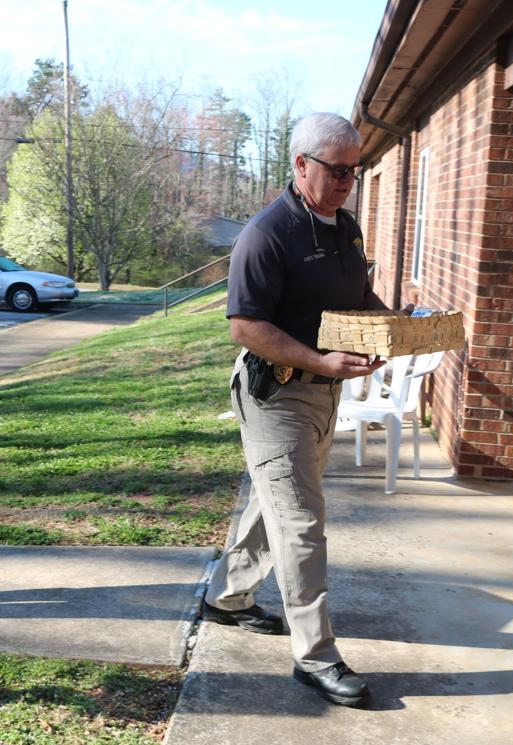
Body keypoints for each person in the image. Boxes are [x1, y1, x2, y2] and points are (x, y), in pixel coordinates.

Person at [203, 112, 395, 708]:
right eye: (336, 171)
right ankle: (316, 658)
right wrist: (319, 360)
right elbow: (245, 326)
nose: (346, 182)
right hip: (276, 394)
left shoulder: (344, 227)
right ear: (301, 165)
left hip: (322, 390)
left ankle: (228, 597)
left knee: (278, 499)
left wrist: (392, 329)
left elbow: (358, 296)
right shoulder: (267, 234)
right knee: (302, 524)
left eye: (354, 172)